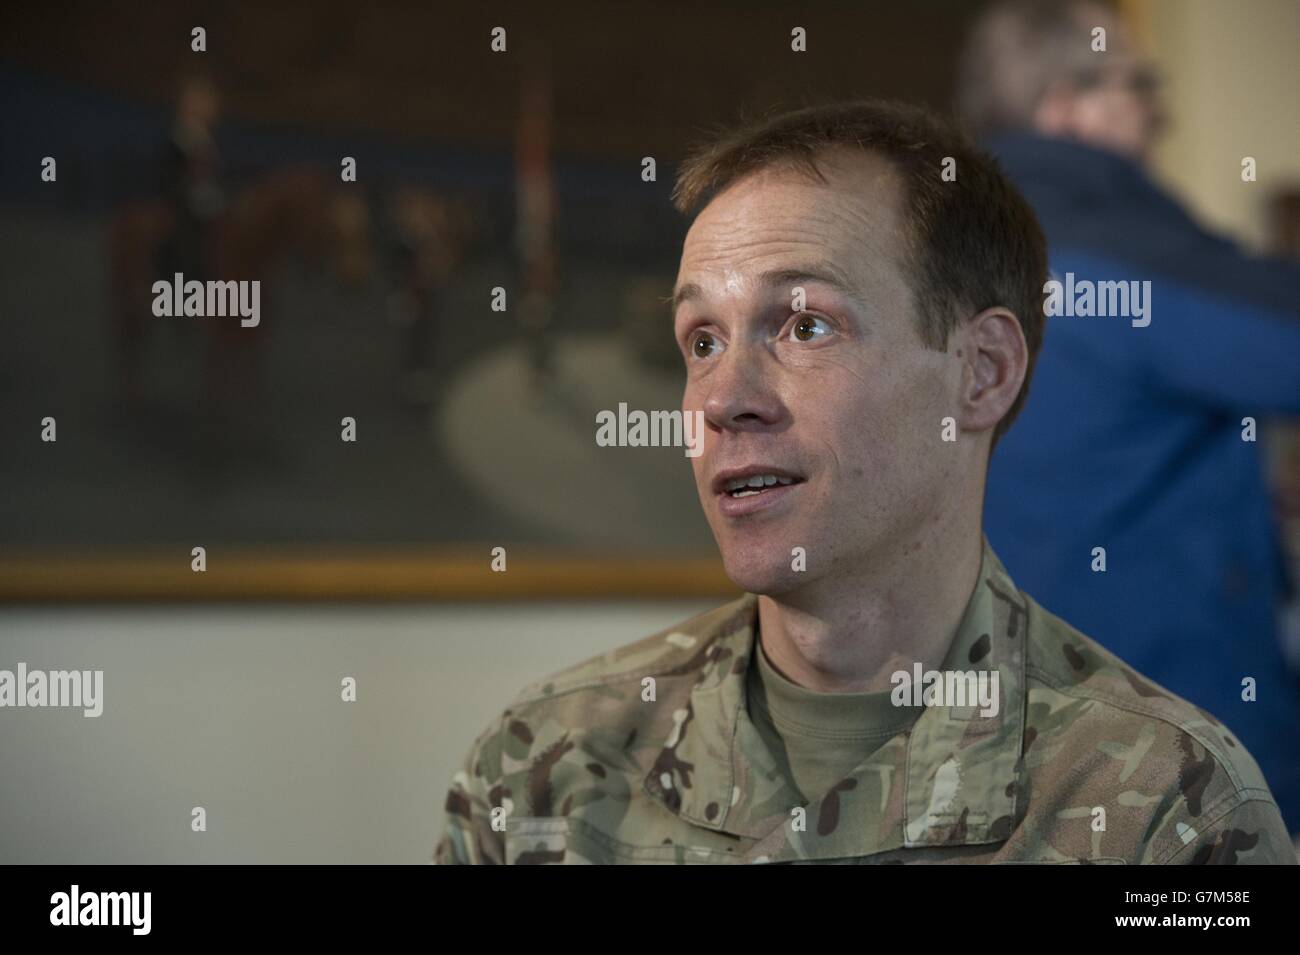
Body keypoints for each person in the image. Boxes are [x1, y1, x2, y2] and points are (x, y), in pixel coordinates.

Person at [433, 100, 1294, 864]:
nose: (724, 399)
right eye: (701, 339)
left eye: (805, 323)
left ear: (982, 372)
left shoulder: (1170, 813)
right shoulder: (544, 768)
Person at [959, 0, 1300, 833]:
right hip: (1179, 756)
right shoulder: (1117, 248)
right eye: (1140, 85)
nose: (1159, 112)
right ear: (1066, 104)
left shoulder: (944, 257)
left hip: (999, 747)